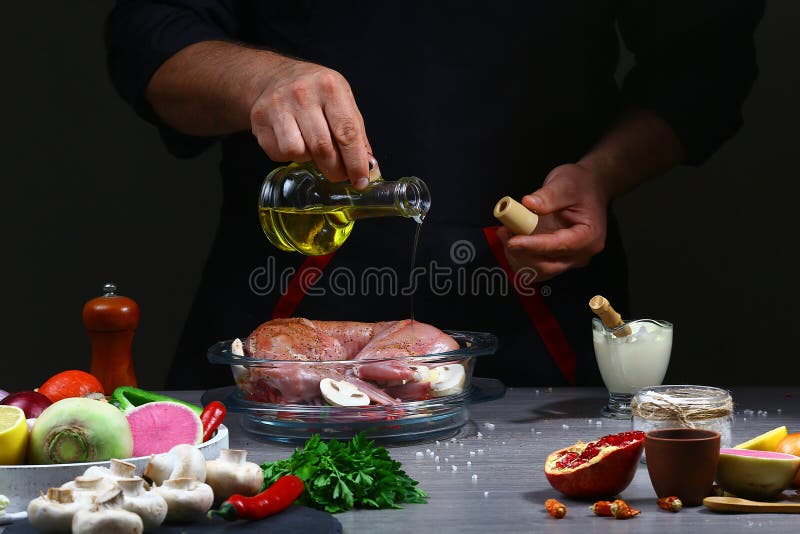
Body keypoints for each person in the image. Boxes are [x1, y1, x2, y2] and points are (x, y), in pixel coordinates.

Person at [106, 1, 764, 388]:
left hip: (538, 314)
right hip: (284, 302)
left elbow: (706, 61)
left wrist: (602, 174)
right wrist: (260, 80)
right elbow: (148, 30)